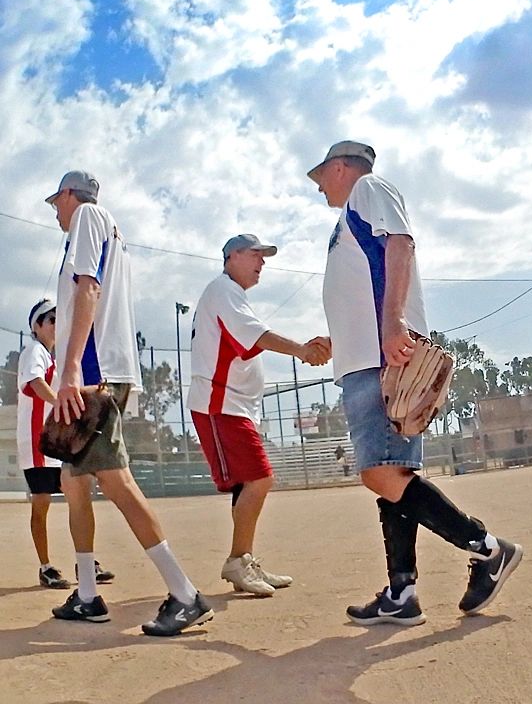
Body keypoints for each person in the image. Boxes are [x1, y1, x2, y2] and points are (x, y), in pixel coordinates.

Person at [309, 141, 523, 625]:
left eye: (321, 175)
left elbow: (400, 244)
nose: (319, 185)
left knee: (381, 473)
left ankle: (489, 549)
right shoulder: (352, 213)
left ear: (340, 168)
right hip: (367, 350)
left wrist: (392, 323)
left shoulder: (368, 187)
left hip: (381, 355)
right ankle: (402, 593)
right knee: (393, 478)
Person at [46, 170, 212, 636]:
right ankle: (85, 595)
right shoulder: (104, 227)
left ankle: (184, 594)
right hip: (94, 372)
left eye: (54, 202)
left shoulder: (88, 216)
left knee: (117, 484)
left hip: (93, 374)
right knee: (74, 484)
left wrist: (73, 368)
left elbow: (88, 288)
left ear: (67, 195)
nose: (55, 211)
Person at [189, 234, 332, 596]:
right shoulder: (222, 290)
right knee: (259, 479)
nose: (262, 263)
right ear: (231, 256)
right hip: (220, 404)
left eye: (264, 257)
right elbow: (257, 337)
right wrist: (302, 350)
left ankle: (244, 560)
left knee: (247, 485)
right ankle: (238, 562)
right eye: (256, 255)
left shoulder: (231, 295)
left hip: (233, 406)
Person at [17, 299, 70, 589]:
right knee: (42, 503)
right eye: (51, 319)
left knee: (78, 493)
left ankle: (85, 562)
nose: (56, 324)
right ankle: (46, 567)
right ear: (37, 326)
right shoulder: (34, 351)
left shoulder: (54, 357)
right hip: (37, 441)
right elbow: (36, 384)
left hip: (56, 442)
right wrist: (61, 404)